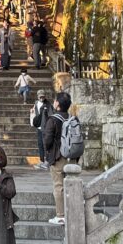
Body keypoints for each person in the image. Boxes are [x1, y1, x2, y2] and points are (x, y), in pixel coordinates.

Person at [43, 93, 74, 225]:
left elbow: (47, 140)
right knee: (71, 185)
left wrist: (47, 152)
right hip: (72, 157)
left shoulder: (53, 120)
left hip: (58, 157)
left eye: (55, 100)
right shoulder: (72, 118)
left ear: (57, 104)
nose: (54, 102)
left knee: (59, 186)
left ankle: (61, 215)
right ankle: (73, 212)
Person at [30, 90, 51, 170]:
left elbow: (51, 115)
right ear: (37, 96)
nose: (42, 98)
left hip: (45, 127)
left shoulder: (48, 104)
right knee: (40, 144)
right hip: (38, 127)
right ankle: (42, 161)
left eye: (43, 96)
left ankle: (47, 161)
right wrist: (32, 111)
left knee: (46, 144)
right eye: (40, 96)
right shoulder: (36, 103)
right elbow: (35, 110)